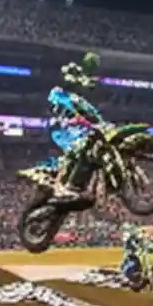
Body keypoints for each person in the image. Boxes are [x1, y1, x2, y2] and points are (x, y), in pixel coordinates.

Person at [43, 53, 107, 202]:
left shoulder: (80, 100)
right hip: (60, 129)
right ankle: (61, 186)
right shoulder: (59, 93)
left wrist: (102, 123)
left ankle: (79, 182)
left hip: (74, 129)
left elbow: (94, 114)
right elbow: (63, 103)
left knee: (90, 149)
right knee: (77, 148)